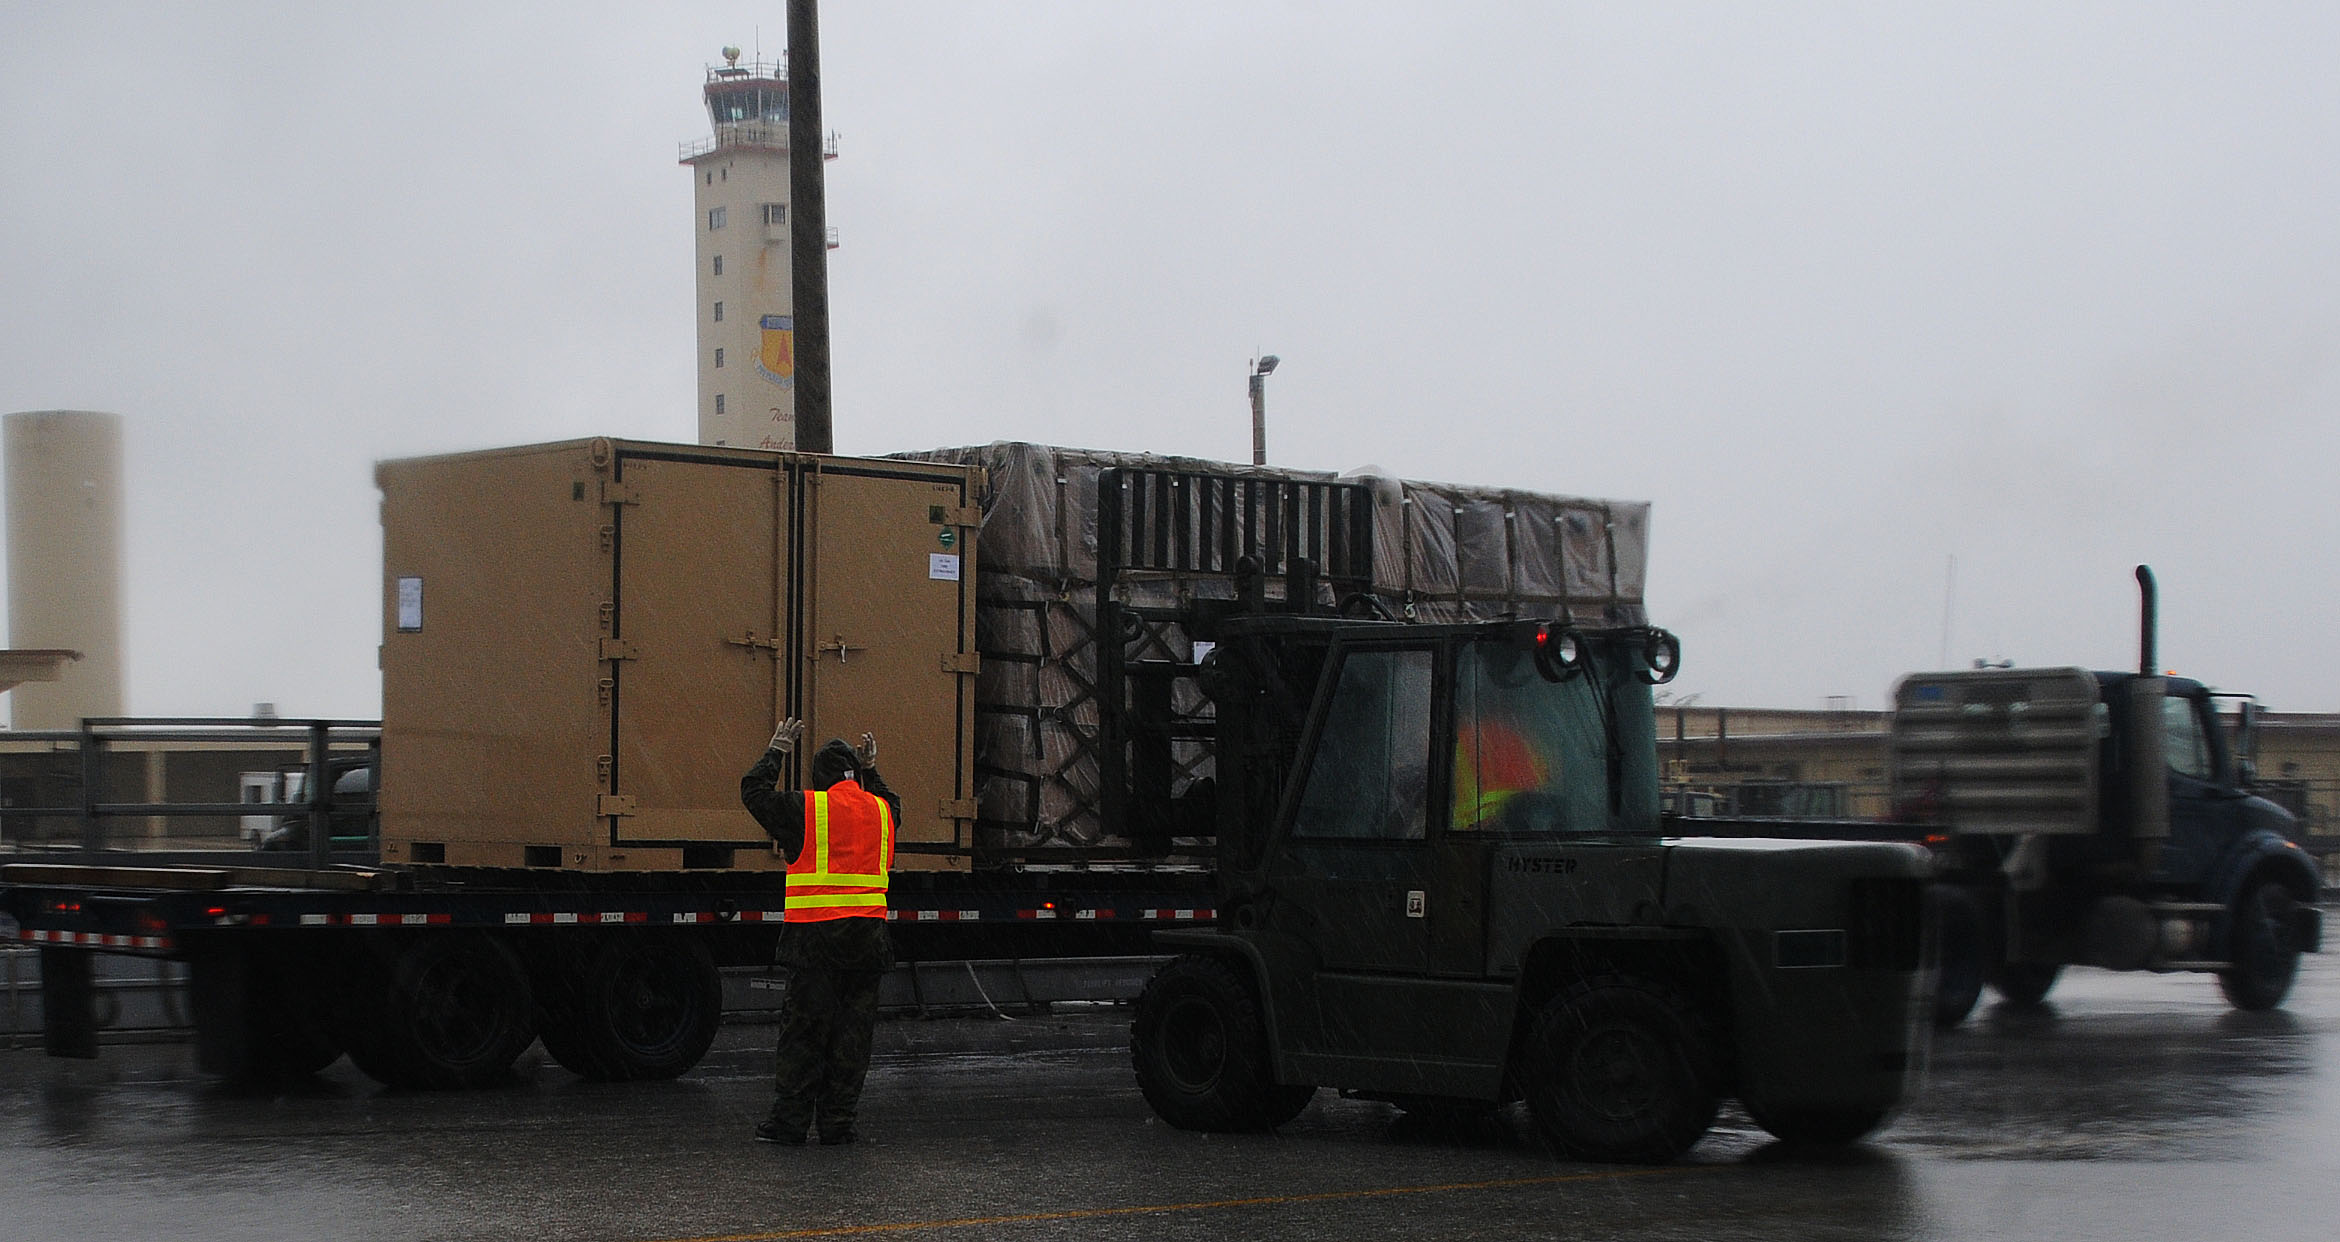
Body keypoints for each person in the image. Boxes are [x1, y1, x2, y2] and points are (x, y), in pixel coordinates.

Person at [740, 717, 900, 1146]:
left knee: (805, 1035)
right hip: (866, 943)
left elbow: (753, 793)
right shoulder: (883, 811)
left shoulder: (806, 809)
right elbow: (888, 798)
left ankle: (790, 1124)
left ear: (821, 778)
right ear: (856, 775)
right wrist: (871, 770)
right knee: (852, 1036)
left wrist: (775, 751)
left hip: (816, 941)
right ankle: (838, 1123)